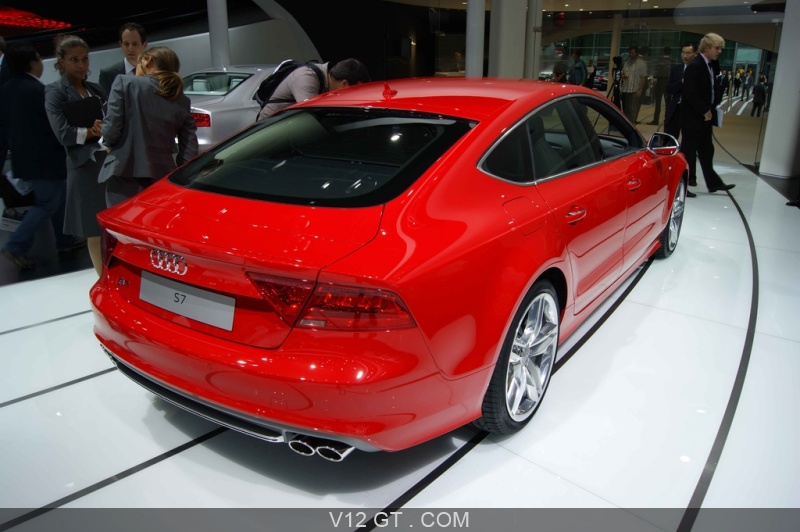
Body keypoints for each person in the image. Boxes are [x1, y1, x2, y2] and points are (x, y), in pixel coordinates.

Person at [0, 44, 85, 269]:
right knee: (47, 203)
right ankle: (15, 246)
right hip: (44, 159)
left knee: (58, 198)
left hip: (26, 159)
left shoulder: (7, 89)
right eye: (38, 59)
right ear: (32, 63)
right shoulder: (37, 91)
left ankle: (65, 240)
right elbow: (52, 126)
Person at [99, 46, 198, 207]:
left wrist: (107, 142)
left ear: (147, 60)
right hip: (162, 178)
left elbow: (111, 131)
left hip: (124, 172)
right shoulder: (182, 100)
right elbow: (189, 149)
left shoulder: (125, 82)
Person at [45, 35, 108, 276]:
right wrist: (88, 132)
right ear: (61, 61)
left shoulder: (96, 88)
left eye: (84, 59)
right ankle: (102, 279)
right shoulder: (55, 92)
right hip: (84, 167)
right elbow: (62, 133)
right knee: (93, 228)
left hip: (108, 162)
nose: (81, 65)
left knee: (110, 227)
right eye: (74, 60)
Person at [679, 33, 735, 194]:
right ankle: (683, 184)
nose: (719, 52)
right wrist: (705, 110)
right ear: (707, 48)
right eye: (717, 48)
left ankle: (713, 183)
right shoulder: (695, 66)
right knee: (688, 151)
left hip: (704, 117)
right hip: (693, 117)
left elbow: (712, 88)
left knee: (706, 149)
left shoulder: (710, 65)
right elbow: (690, 93)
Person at [256, 58, 370, 120]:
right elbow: (311, 117)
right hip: (266, 130)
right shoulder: (307, 78)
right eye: (355, 91)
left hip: (286, 127)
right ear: (345, 84)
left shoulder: (326, 82)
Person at [664, 42, 698, 198]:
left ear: (695, 54)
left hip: (690, 113)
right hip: (675, 109)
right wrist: (681, 83)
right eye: (683, 52)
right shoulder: (676, 69)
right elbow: (670, 89)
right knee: (669, 142)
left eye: (689, 53)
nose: (685, 55)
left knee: (688, 147)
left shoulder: (699, 71)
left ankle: (688, 179)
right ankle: (665, 176)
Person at [98, 22, 147, 96]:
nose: (130, 49)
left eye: (134, 44)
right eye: (126, 44)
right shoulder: (107, 75)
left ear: (144, 45)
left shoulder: (155, 70)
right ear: (120, 44)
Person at [620, 46, 647, 123]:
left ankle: (631, 126)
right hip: (625, 89)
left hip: (634, 90)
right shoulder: (626, 63)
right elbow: (622, 73)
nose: (631, 54)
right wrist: (623, 76)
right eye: (630, 53)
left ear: (636, 53)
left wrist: (640, 89)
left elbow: (643, 77)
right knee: (625, 110)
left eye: (632, 53)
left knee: (632, 111)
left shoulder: (641, 64)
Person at [649, 46, 672, 125]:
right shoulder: (672, 62)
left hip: (659, 81)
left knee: (658, 102)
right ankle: (667, 119)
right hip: (668, 82)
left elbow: (656, 72)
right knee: (668, 103)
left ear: (663, 52)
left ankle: (656, 120)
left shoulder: (659, 61)